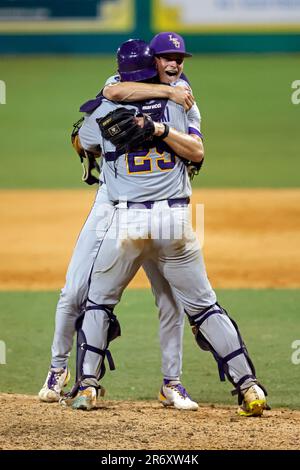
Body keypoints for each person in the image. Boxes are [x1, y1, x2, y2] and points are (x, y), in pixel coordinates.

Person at [61, 37, 268, 417]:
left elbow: (83, 141)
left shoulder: (106, 108)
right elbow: (197, 151)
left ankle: (87, 386)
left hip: (127, 222)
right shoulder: (178, 103)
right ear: (154, 66)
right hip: (176, 222)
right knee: (205, 307)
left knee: (99, 302)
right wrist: (157, 128)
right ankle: (249, 386)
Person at [39, 35, 201, 411]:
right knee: (76, 290)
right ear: (152, 61)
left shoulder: (181, 90)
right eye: (166, 58)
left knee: (170, 298)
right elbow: (109, 98)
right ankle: (58, 369)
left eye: (178, 58)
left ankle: (172, 383)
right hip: (110, 204)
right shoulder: (120, 87)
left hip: (161, 207)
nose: (173, 65)